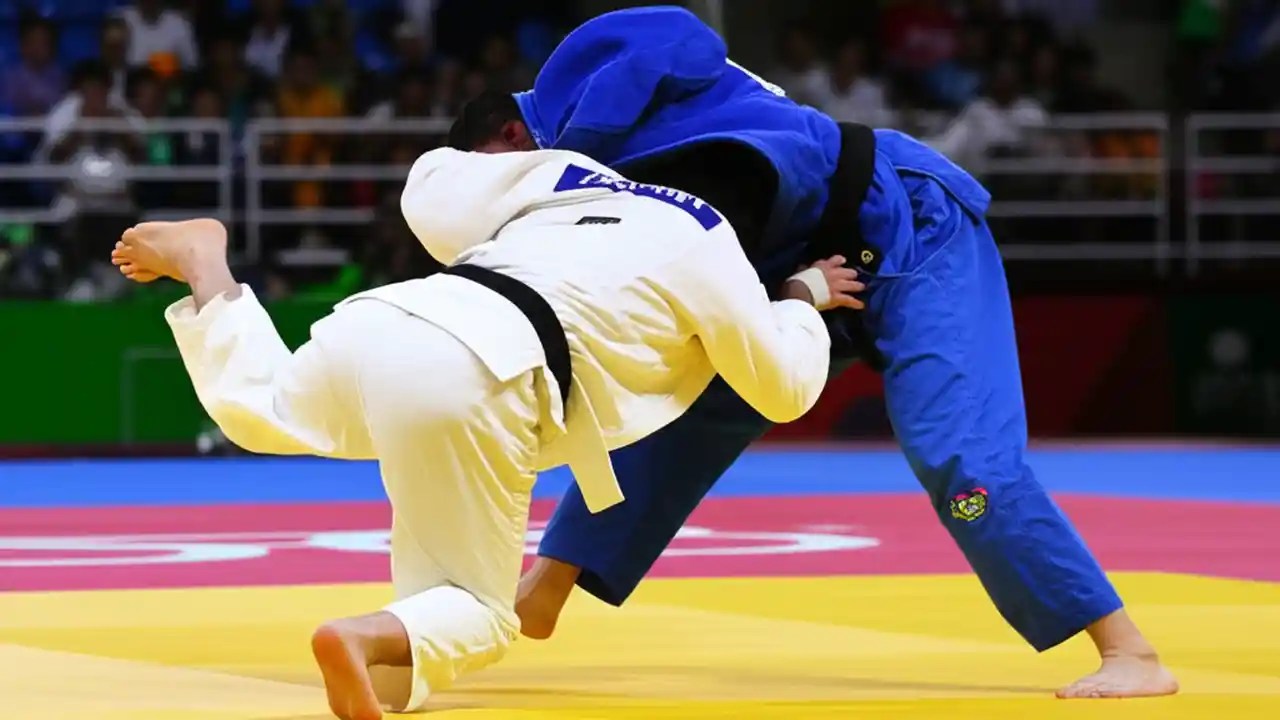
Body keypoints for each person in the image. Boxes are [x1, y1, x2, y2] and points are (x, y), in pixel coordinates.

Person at [448, 6, 1178, 699]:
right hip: (796, 273)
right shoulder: (575, 188)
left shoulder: (590, 90)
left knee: (960, 456)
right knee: (677, 411)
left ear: (513, 133)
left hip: (910, 233)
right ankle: (549, 584)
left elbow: (678, 35)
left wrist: (594, 131)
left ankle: (1128, 650)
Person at [109, 146, 860, 719]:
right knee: (480, 610)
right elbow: (783, 388)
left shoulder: (573, 178)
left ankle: (209, 263)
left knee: (257, 407)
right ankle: (361, 636)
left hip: (397, 313)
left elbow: (438, 182)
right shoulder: (710, 237)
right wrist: (798, 298)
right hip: (486, 372)